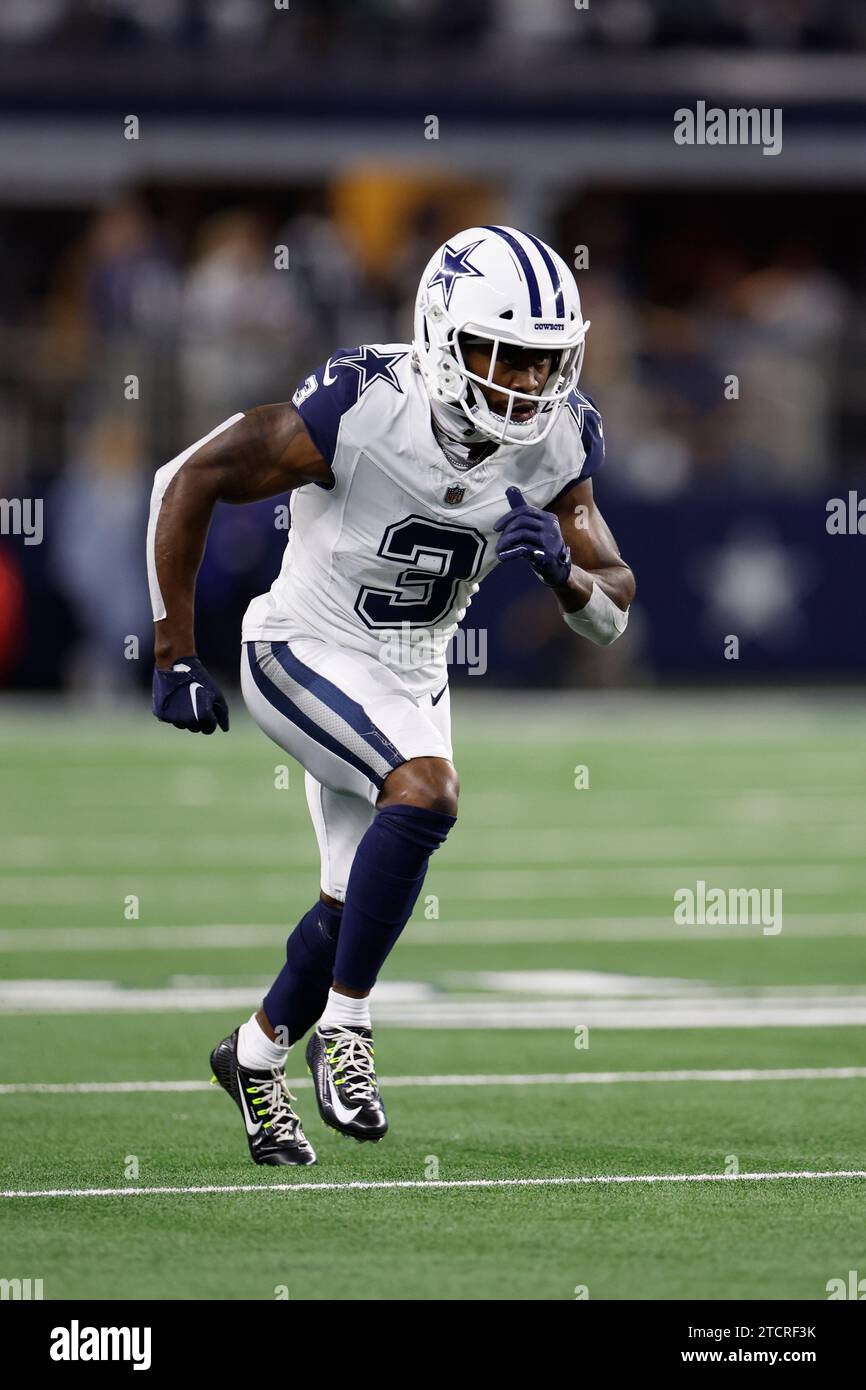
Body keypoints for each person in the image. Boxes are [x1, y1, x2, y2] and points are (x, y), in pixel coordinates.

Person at [147, 225, 635, 1166]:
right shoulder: (366, 405)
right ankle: (350, 1031)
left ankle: (252, 1056)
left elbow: (612, 603)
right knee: (427, 791)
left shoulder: (558, 440)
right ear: (445, 335)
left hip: (413, 673)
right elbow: (189, 475)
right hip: (301, 647)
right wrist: (173, 654)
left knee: (346, 909)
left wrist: (568, 583)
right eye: (506, 357)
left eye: (545, 363)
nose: (528, 386)